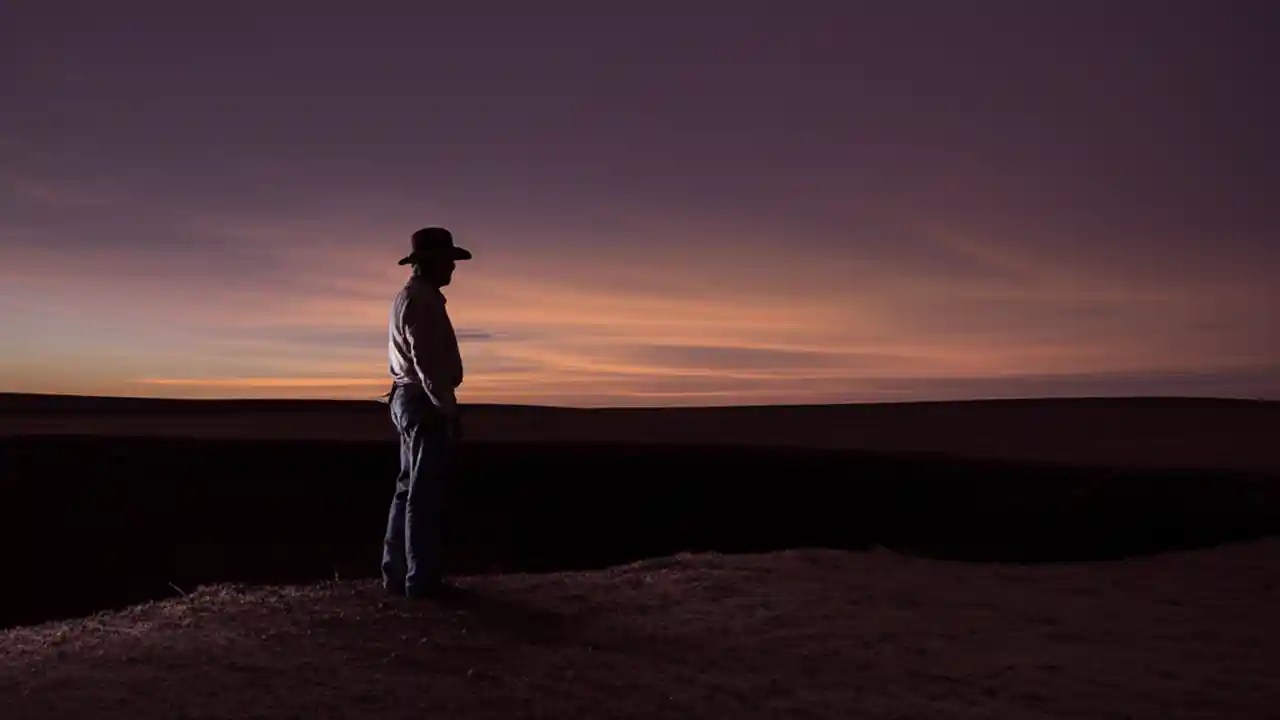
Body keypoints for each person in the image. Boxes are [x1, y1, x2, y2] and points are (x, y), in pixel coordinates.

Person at [382, 226, 471, 599]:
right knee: (423, 492)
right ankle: (420, 580)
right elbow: (428, 364)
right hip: (422, 401)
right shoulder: (423, 302)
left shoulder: (411, 298)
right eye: (448, 260)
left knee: (408, 489)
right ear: (431, 262)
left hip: (409, 398)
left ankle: (398, 573)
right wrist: (446, 409)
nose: (452, 268)